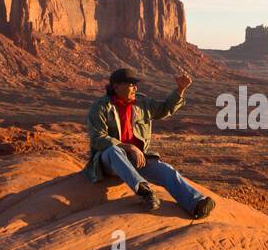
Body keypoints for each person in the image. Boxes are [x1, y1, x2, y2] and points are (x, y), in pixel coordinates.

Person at [83, 66, 216, 219]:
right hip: (108, 162)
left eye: (135, 84)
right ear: (116, 86)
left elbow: (164, 109)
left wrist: (180, 90)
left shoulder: (142, 103)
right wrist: (128, 146)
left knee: (166, 171)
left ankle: (196, 203)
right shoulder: (100, 107)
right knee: (114, 151)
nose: (135, 88)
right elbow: (98, 138)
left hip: (137, 158)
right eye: (131, 84)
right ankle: (145, 192)